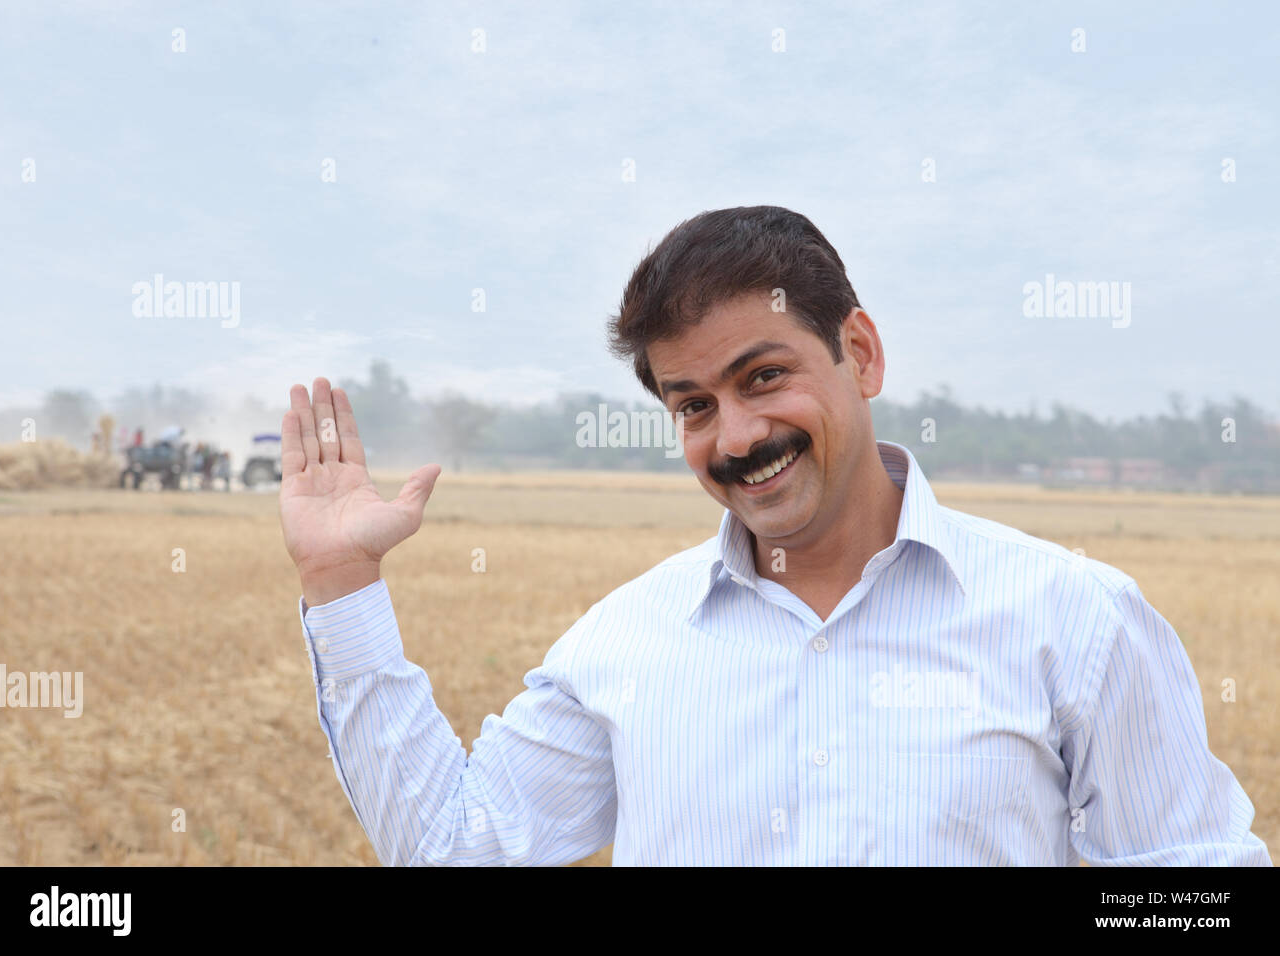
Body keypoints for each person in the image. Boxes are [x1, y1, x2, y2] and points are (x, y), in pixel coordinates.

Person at [278, 206, 1271, 867]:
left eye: (764, 377)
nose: (739, 435)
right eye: (695, 404)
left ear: (861, 352)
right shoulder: (624, 643)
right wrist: (342, 576)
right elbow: (455, 844)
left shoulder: (1072, 617)